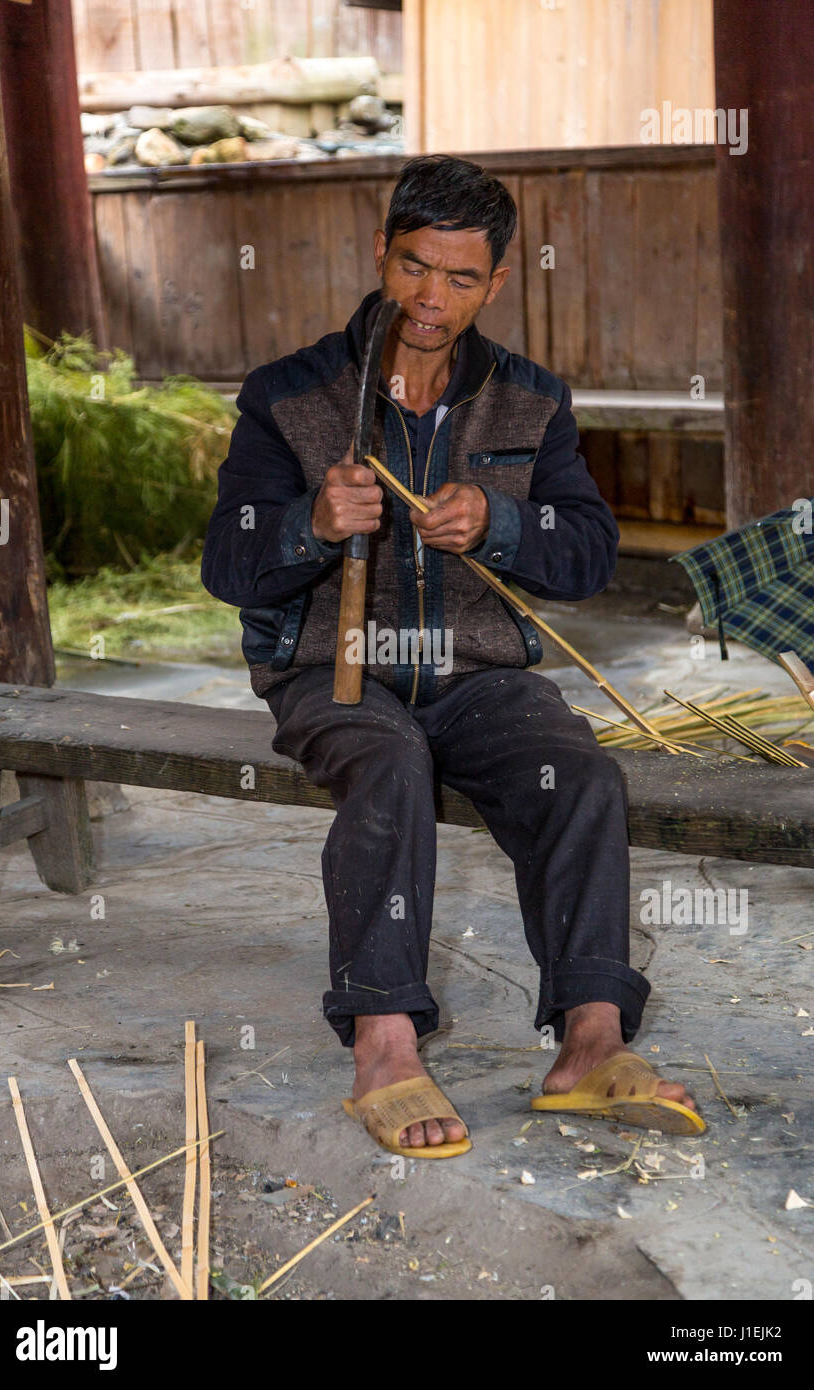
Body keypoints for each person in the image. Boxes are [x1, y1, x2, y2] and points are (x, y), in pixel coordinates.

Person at [202, 154, 702, 1157]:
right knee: (388, 760)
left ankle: (588, 1042)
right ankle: (384, 1043)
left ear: (498, 282)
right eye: (414, 268)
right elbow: (230, 562)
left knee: (581, 773)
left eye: (461, 279)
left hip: (477, 676)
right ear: (380, 254)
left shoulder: (528, 400)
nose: (432, 300)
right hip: (333, 672)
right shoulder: (289, 394)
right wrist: (306, 523)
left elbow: (589, 554)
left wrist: (505, 524)